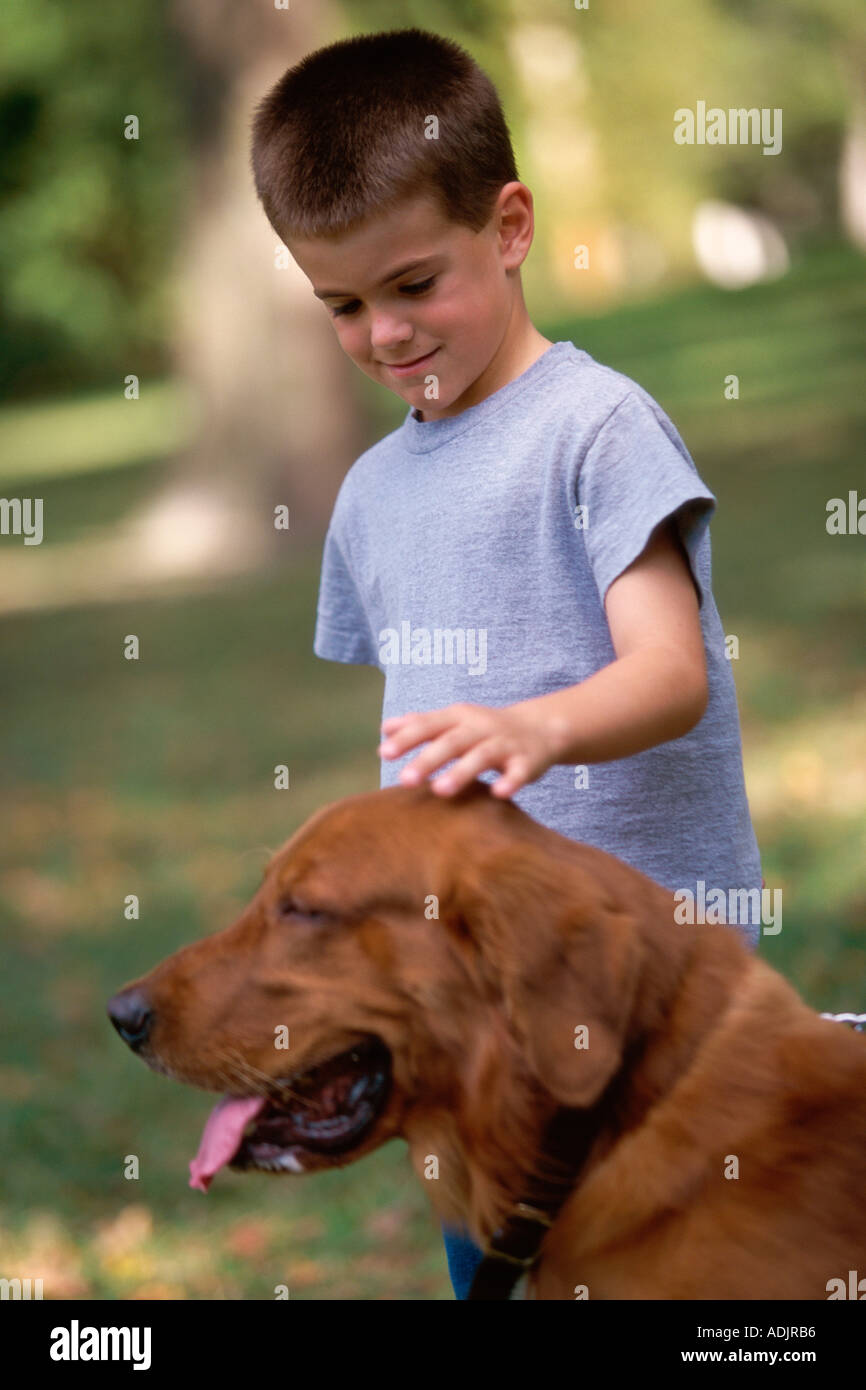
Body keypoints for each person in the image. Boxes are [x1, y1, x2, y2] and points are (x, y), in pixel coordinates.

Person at [250, 26, 764, 1301]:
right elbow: (410, 739)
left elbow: (669, 670)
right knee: (498, 1263)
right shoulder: (370, 495)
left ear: (511, 225)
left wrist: (539, 729)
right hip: (472, 1016)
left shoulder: (592, 430)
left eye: (413, 284)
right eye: (343, 306)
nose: (383, 333)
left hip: (643, 990)